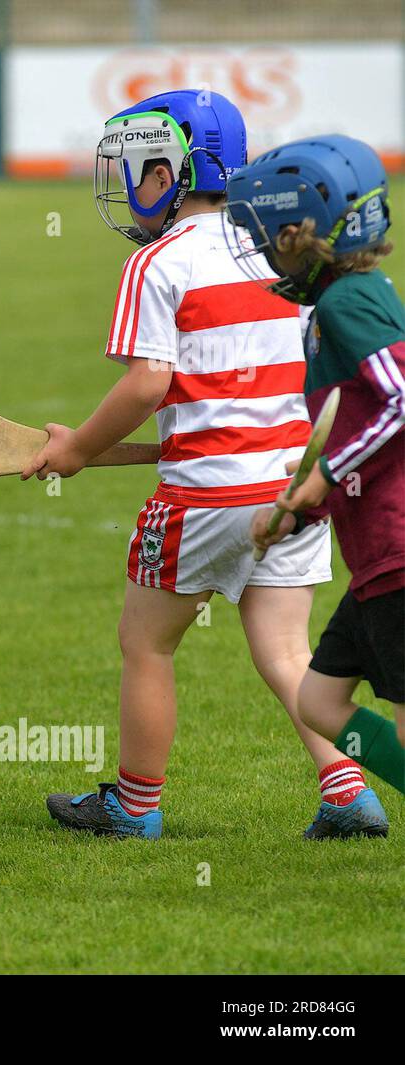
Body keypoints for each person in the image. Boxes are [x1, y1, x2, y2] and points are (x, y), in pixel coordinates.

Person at [24, 92, 387, 840]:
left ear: (171, 172)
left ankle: (133, 805)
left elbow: (148, 383)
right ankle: (348, 790)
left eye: (140, 169)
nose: (131, 185)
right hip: (290, 488)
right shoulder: (282, 249)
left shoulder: (155, 264)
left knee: (146, 641)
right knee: (288, 651)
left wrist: (78, 448)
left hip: (204, 496)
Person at [236, 135, 405, 805]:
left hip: (398, 550)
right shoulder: (346, 299)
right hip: (373, 562)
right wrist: (302, 510)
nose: (261, 250)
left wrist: (326, 475)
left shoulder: (345, 304)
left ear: (305, 232)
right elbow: (363, 418)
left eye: (268, 235)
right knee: (319, 700)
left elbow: (400, 400)